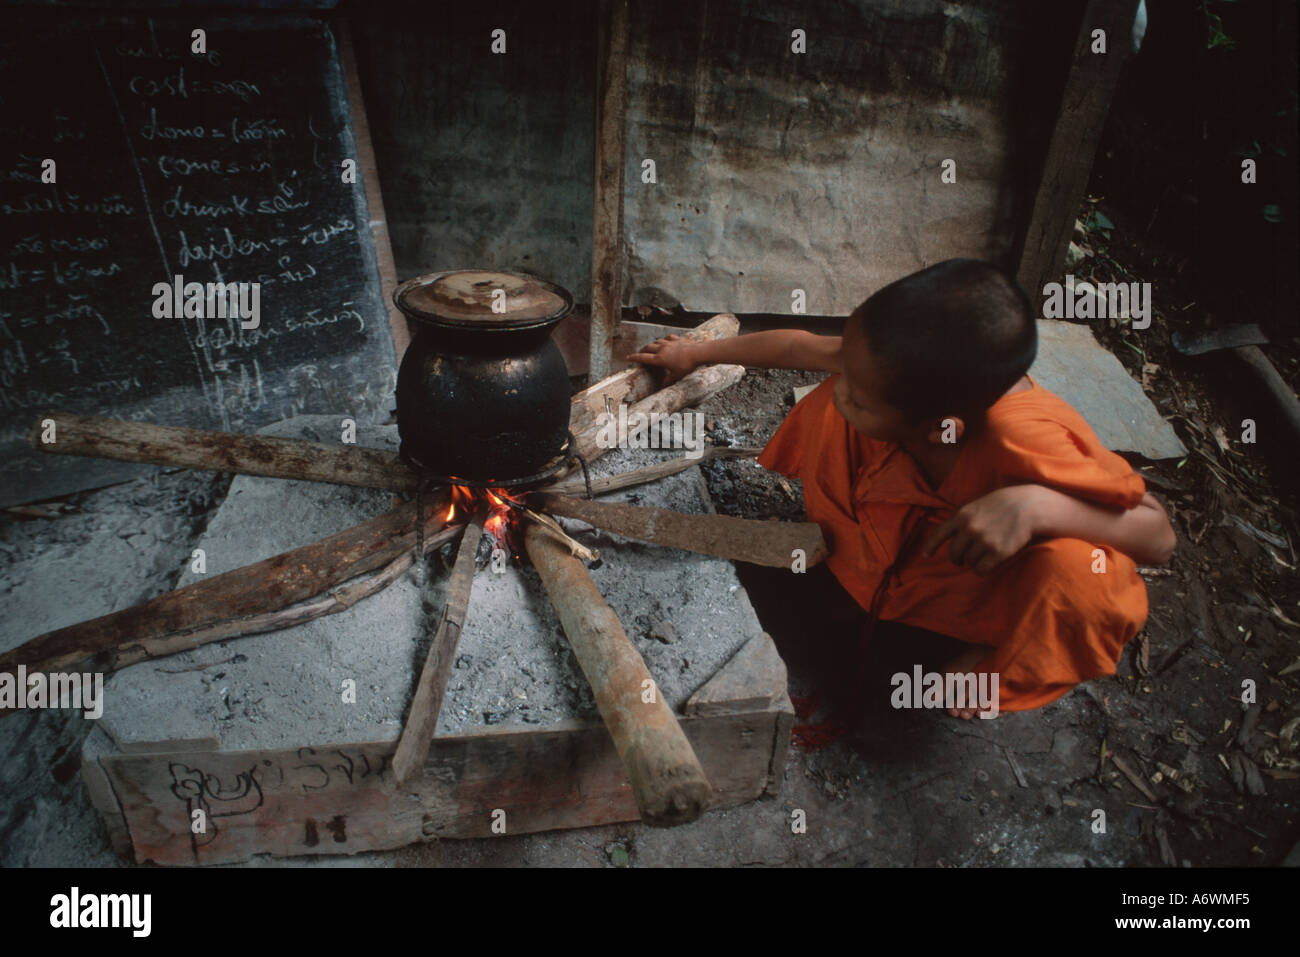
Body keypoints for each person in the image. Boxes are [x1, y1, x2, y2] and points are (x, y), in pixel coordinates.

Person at [628, 259, 1176, 719]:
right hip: (932, 531)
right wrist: (695, 355)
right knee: (829, 413)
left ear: (942, 426)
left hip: (988, 566)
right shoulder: (888, 364)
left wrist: (1038, 506)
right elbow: (799, 347)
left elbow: (1157, 537)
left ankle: (993, 654)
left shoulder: (1027, 440)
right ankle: (859, 566)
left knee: (1081, 578)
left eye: (861, 396)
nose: (842, 390)